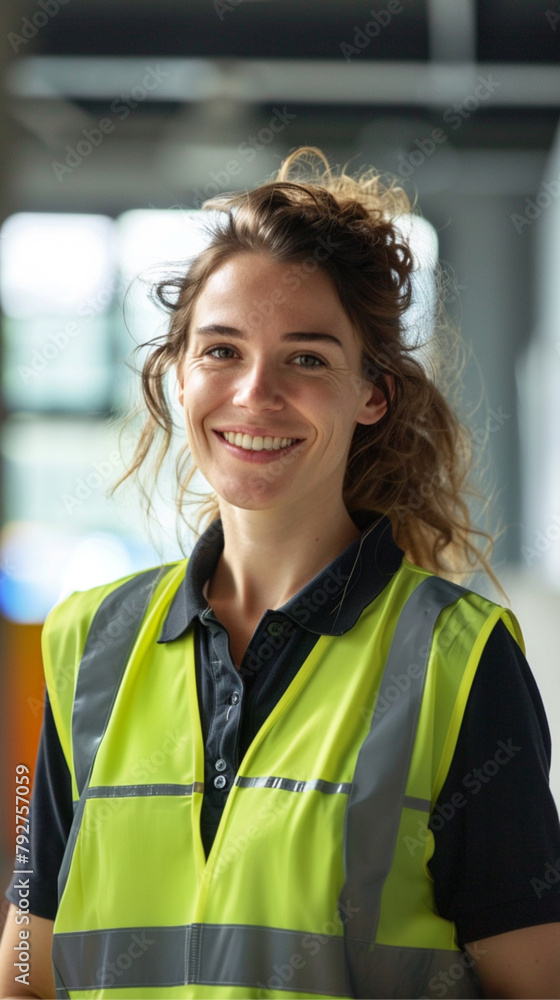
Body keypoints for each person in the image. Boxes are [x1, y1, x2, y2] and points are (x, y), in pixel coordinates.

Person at [1, 146, 560, 1000]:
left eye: (306, 358)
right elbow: (28, 972)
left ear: (371, 393)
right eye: (222, 351)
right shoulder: (90, 643)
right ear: (178, 373)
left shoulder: (457, 659)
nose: (255, 394)